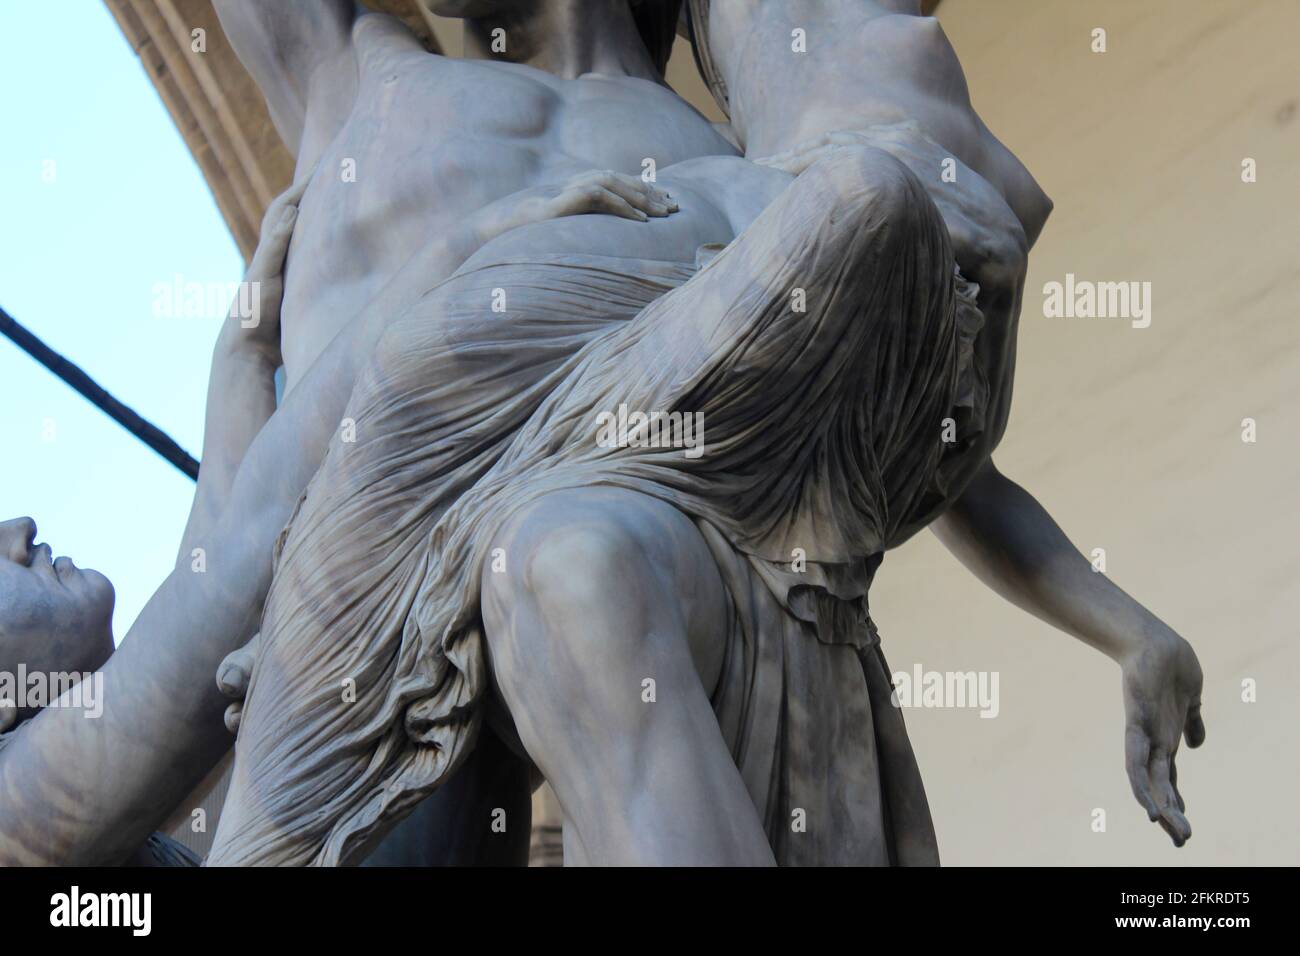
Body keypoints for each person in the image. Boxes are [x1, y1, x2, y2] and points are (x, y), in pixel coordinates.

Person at [207, 1, 1204, 866]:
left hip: (718, 592)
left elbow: (939, 448)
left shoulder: (749, 161)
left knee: (570, 559)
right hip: (385, 621)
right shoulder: (366, 89)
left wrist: (1129, 628)